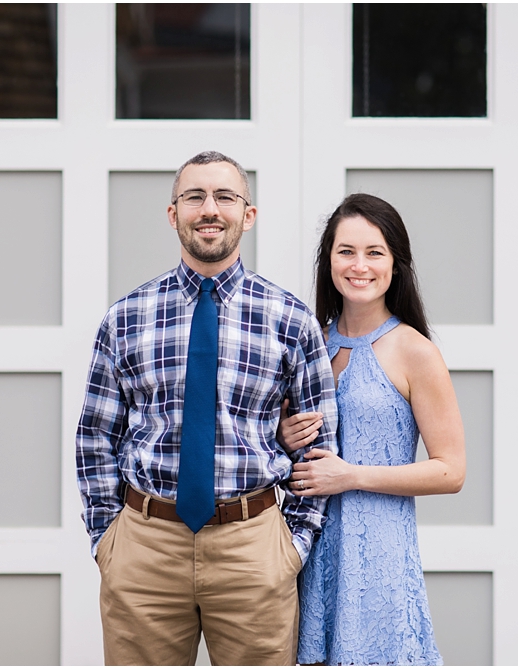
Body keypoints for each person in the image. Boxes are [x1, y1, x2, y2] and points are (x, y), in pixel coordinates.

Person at [76, 151, 338, 666]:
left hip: (253, 550)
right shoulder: (125, 319)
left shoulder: (290, 320)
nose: (209, 209)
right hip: (145, 550)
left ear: (248, 214)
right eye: (194, 196)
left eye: (225, 196)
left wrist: (292, 546)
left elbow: (320, 446)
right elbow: (95, 434)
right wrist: (109, 539)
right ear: (173, 214)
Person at [278, 193, 466, 665]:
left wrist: (353, 475)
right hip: (307, 553)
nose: (359, 265)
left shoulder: (414, 351)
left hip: (378, 561)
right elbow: (276, 456)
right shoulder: (309, 343)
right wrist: (283, 440)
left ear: (395, 265)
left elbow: (451, 471)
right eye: (346, 251)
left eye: (374, 252)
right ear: (329, 261)